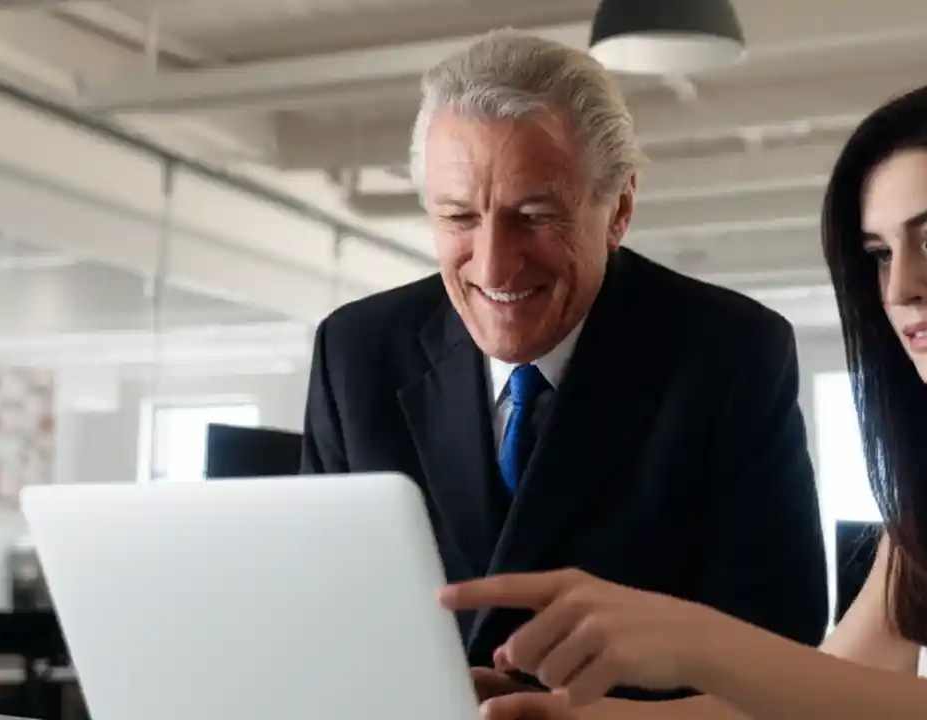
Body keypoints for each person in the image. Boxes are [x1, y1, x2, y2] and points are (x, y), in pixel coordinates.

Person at [441, 74, 927, 720]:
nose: (903, 288)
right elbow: (796, 708)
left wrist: (696, 640)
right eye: (879, 253)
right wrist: (545, 714)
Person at [298, 29, 829, 705]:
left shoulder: (729, 353)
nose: (492, 267)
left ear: (620, 209)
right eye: (459, 217)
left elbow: (778, 641)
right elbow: (326, 606)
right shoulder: (356, 353)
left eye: (534, 217)